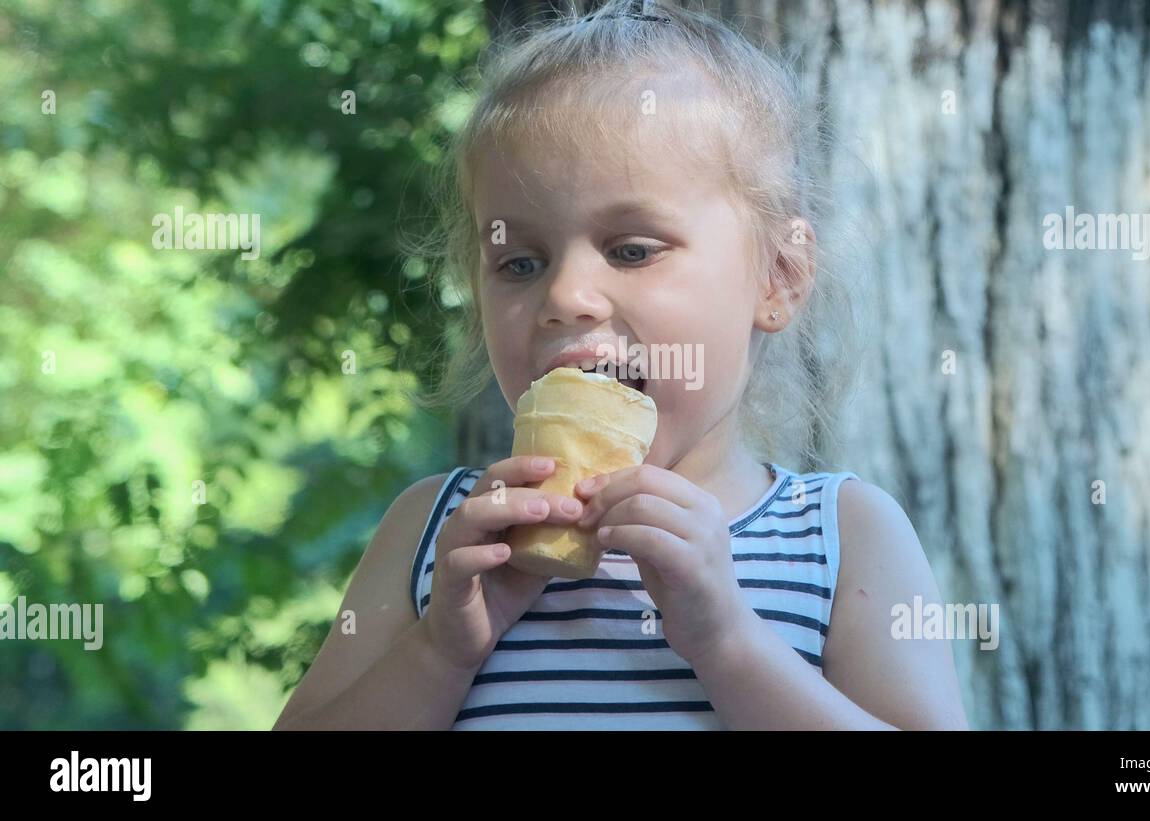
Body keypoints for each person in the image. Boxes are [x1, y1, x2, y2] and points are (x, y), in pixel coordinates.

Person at [276, 0, 968, 731]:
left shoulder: (840, 533)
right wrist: (441, 650)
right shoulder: (438, 531)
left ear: (779, 276)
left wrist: (728, 639)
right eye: (519, 262)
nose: (566, 296)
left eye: (632, 249)